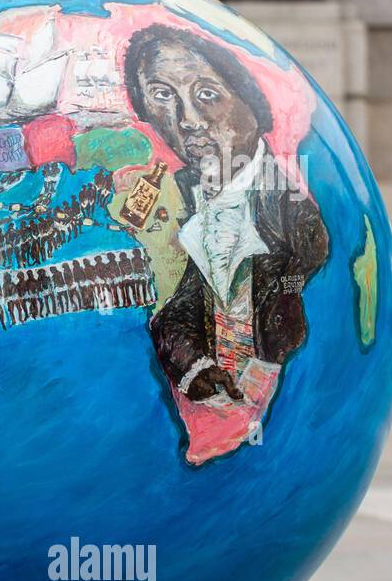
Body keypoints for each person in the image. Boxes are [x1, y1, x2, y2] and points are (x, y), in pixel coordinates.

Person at [123, 24, 328, 402]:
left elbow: (313, 313)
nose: (188, 120)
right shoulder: (171, 196)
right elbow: (176, 304)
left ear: (253, 105)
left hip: (289, 401)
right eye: (162, 95)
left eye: (207, 94)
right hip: (211, 407)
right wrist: (194, 366)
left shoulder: (295, 211)